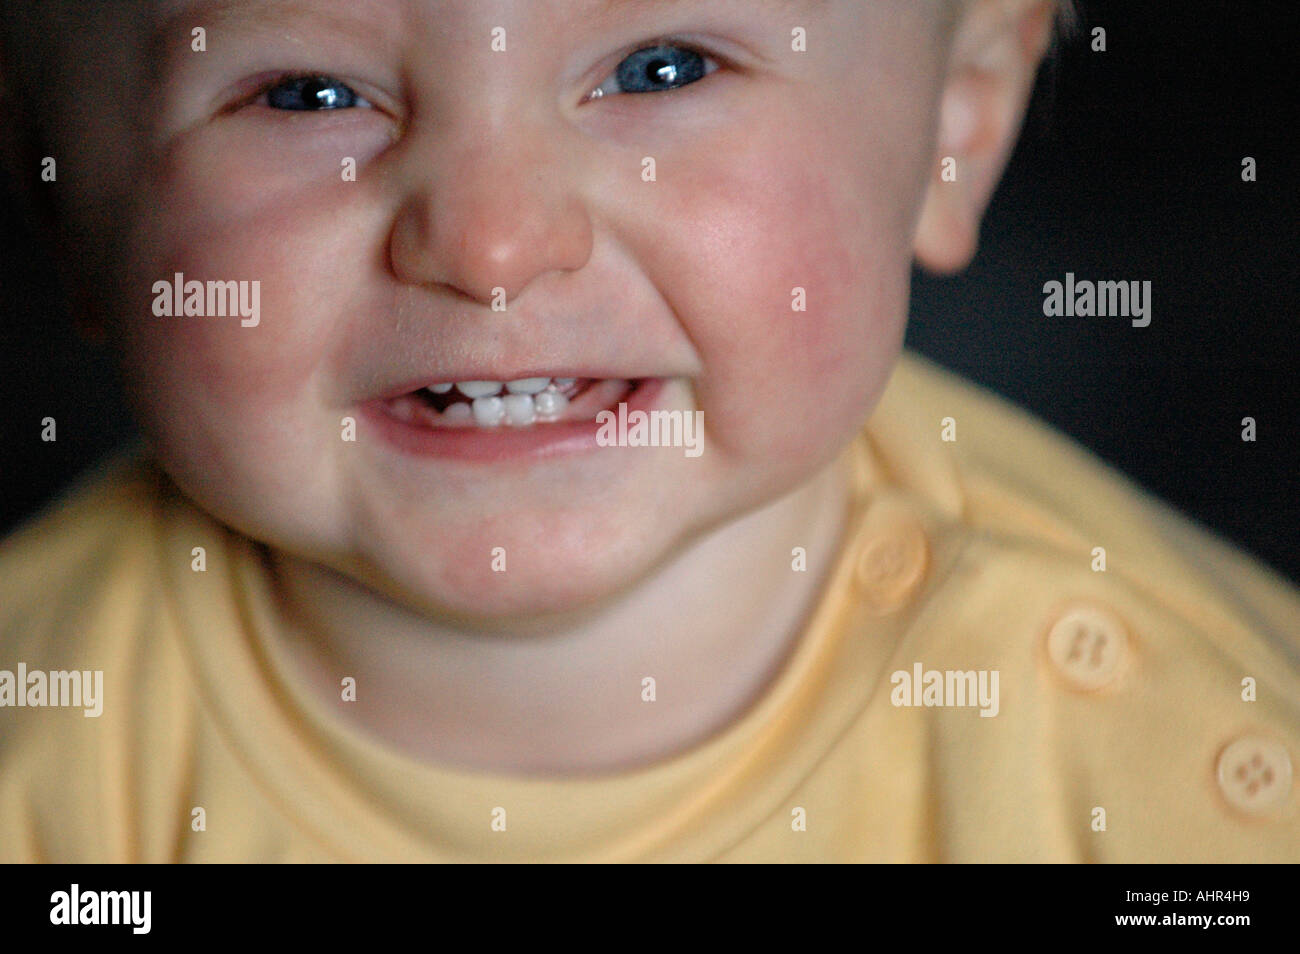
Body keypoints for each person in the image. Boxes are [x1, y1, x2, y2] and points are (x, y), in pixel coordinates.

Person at [0, 0, 1295, 862]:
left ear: (954, 123)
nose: (493, 243)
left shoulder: (1184, 777)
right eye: (305, 95)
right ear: (63, 190)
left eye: (659, 69)